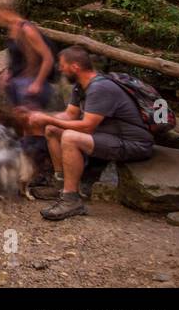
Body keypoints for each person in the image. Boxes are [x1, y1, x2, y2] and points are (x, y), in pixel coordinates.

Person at [24, 47, 155, 221]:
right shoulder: (81, 86)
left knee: (71, 138)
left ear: (75, 67)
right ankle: (61, 184)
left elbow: (86, 126)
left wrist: (48, 119)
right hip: (109, 137)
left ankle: (71, 200)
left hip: (133, 143)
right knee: (52, 130)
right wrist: (41, 117)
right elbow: (70, 115)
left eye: (63, 65)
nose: (60, 69)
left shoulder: (101, 87)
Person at [0, 0, 56, 129]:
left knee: (33, 126)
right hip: (17, 83)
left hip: (30, 85)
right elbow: (18, 57)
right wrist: (8, 72)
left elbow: (48, 57)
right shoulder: (13, 28)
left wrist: (38, 83)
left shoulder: (27, 29)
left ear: (5, 10)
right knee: (21, 124)